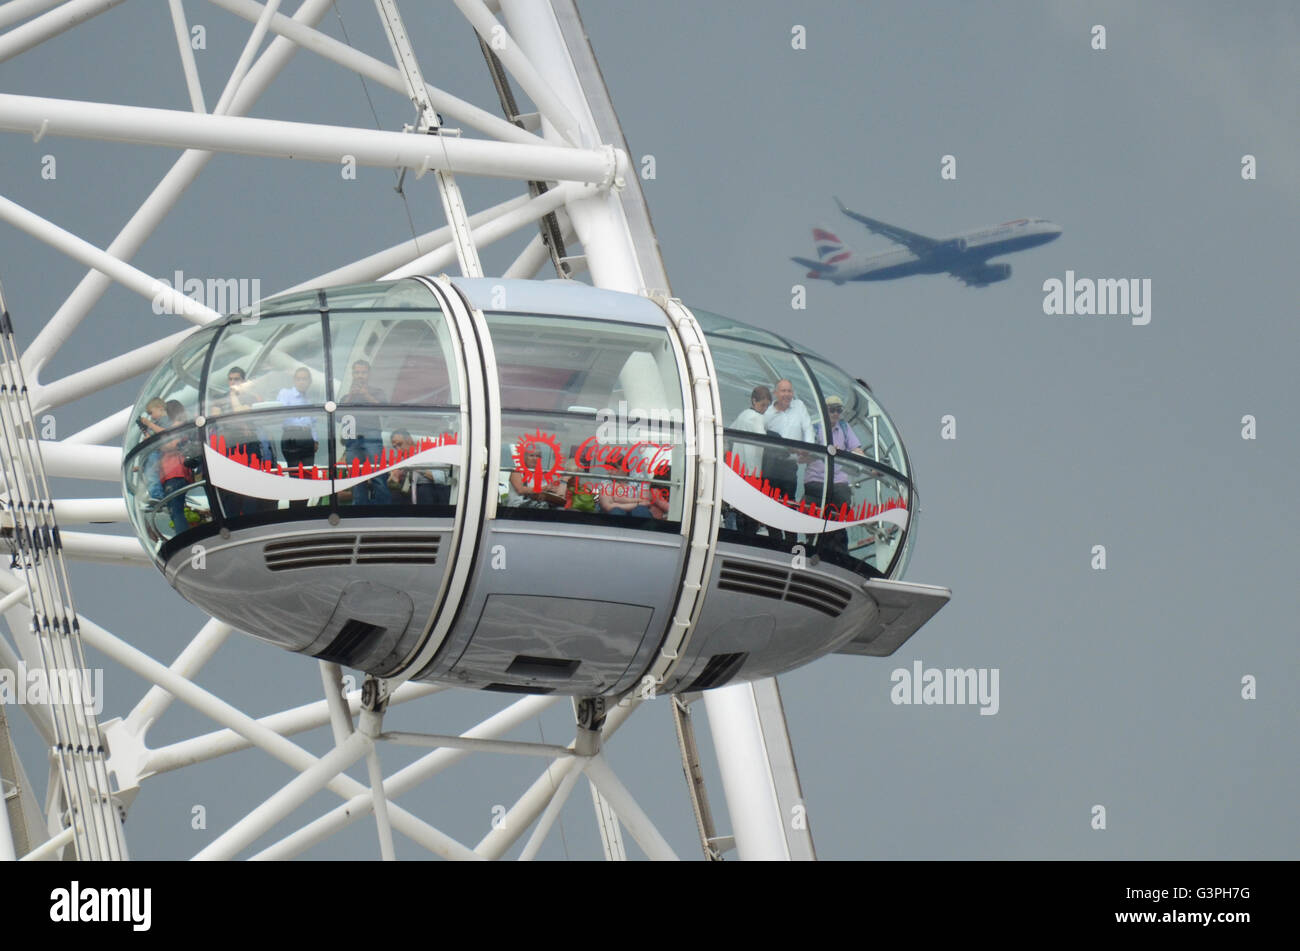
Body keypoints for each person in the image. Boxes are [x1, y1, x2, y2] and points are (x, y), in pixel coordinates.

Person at [803, 394, 864, 562]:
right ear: (825, 410)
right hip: (816, 480)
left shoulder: (844, 428)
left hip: (838, 481)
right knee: (816, 519)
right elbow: (803, 456)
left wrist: (848, 454)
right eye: (832, 410)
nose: (836, 414)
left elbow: (858, 450)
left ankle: (840, 555)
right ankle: (816, 550)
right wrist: (823, 452)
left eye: (839, 410)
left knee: (839, 520)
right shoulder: (814, 428)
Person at [210, 366, 265, 517]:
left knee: (249, 485)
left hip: (248, 446)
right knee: (229, 488)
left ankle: (249, 518)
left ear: (243, 381)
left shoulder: (250, 397)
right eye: (230, 379)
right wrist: (240, 424)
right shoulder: (219, 398)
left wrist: (234, 396)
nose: (233, 382)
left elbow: (240, 413)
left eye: (236, 379)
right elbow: (217, 418)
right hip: (229, 447)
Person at [339, 359, 390, 505]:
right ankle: (359, 510)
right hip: (353, 438)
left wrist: (366, 395)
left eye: (363, 372)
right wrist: (350, 397)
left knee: (377, 474)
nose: (360, 375)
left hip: (372, 435)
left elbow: (385, 411)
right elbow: (338, 417)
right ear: (352, 374)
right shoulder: (346, 397)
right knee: (356, 477)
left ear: (369, 374)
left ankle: (384, 510)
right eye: (357, 372)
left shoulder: (377, 392)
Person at [277, 366, 318, 509]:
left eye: (305, 379)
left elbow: (313, 423)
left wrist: (315, 439)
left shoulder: (309, 400)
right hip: (291, 435)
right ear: (294, 380)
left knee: (307, 475)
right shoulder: (286, 394)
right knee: (295, 475)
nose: (302, 382)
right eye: (299, 379)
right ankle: (295, 511)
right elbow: (281, 412)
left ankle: (303, 509)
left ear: (309, 382)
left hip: (306, 437)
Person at [156, 400, 197, 534]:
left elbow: (171, 445)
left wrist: (159, 444)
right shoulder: (184, 426)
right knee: (177, 510)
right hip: (180, 473)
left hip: (174, 473)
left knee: (176, 510)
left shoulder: (177, 427)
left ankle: (184, 538)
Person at [388, 429, 449, 505]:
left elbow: (443, 477)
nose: (398, 449)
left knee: (424, 489)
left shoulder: (428, 453)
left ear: (409, 440)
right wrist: (395, 479)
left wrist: (416, 467)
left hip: (430, 497)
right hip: (410, 501)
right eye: (395, 447)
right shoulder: (400, 461)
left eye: (400, 444)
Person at [507, 445, 567, 509]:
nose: (535, 458)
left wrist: (553, 490)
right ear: (524, 457)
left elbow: (549, 492)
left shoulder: (544, 474)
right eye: (531, 455)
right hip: (518, 507)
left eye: (538, 456)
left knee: (560, 509)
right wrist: (544, 488)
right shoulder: (517, 471)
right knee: (542, 506)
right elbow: (520, 490)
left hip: (540, 504)